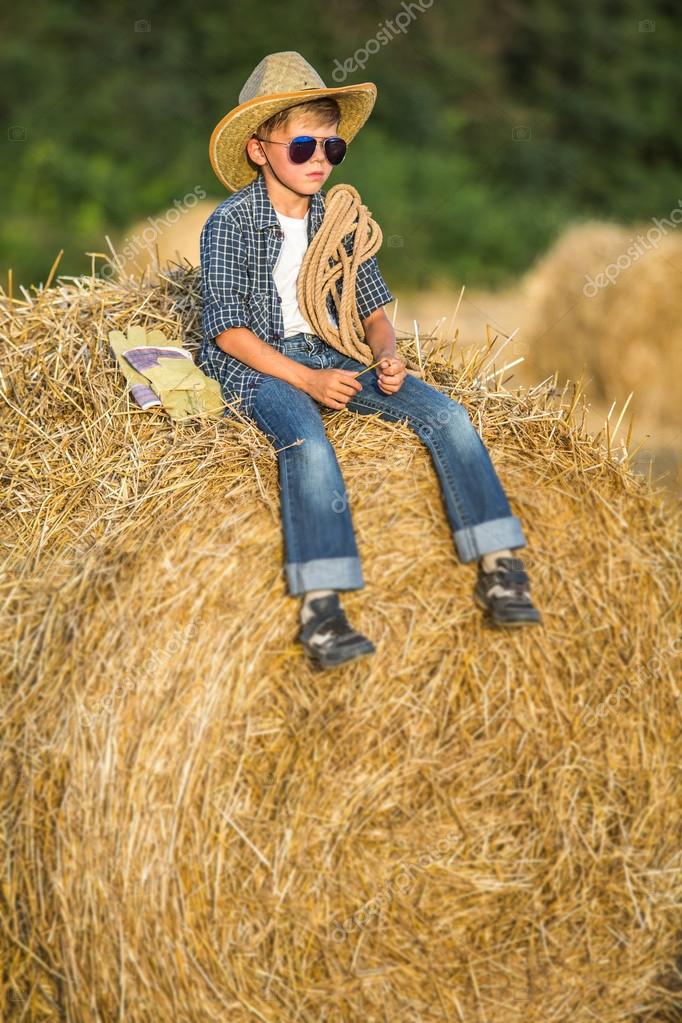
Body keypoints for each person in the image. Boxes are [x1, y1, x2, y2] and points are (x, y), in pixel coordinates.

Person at [199, 50, 541, 669]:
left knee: (449, 415)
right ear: (259, 150)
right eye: (303, 147)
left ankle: (499, 567)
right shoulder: (229, 223)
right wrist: (307, 380)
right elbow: (228, 332)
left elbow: (374, 311)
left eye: (332, 148)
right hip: (255, 365)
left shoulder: (342, 220)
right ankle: (321, 611)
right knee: (306, 441)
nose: (319, 161)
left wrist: (387, 355)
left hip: (333, 350)